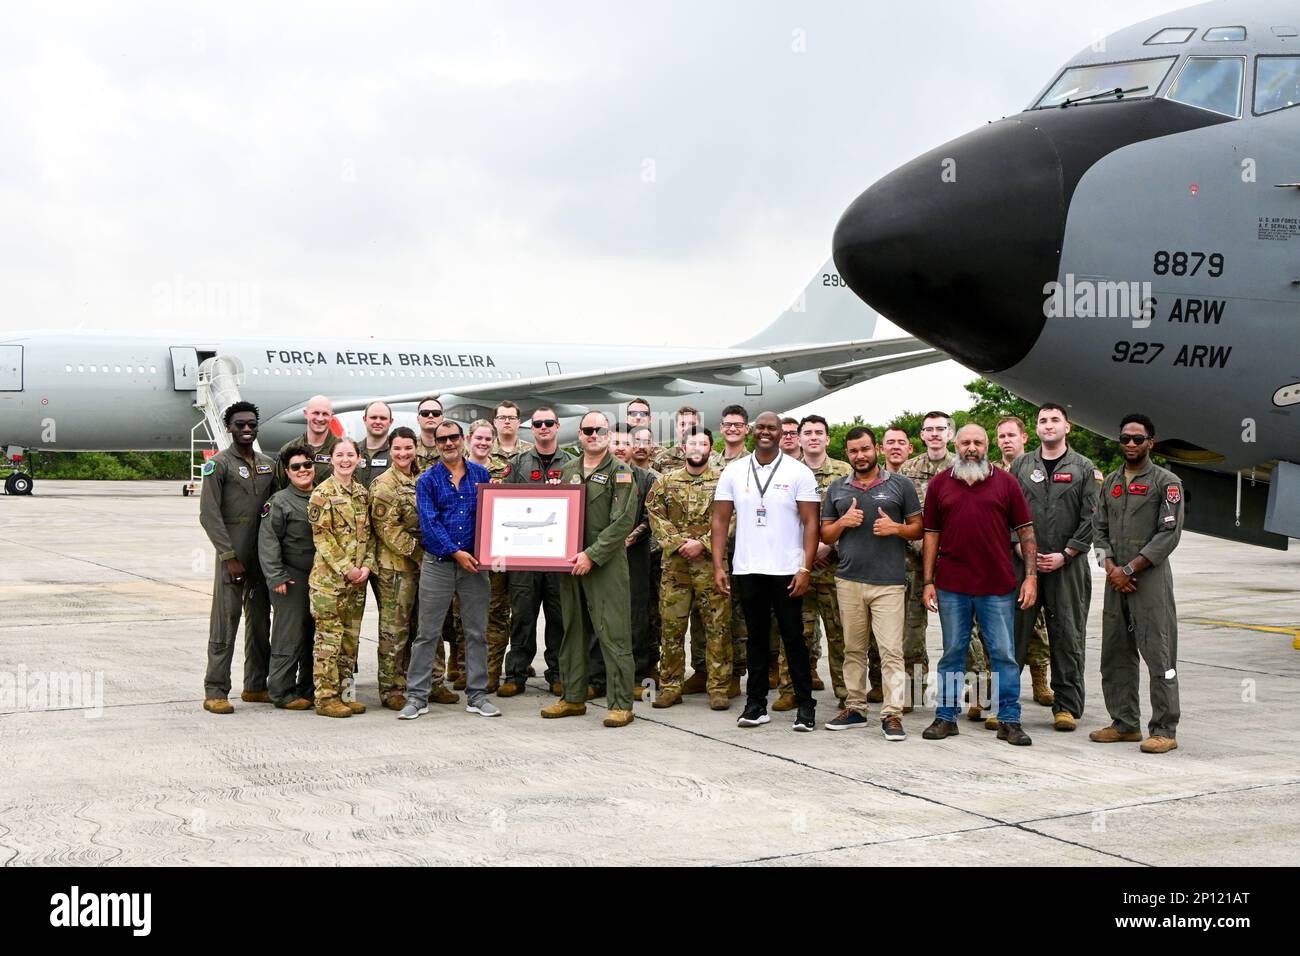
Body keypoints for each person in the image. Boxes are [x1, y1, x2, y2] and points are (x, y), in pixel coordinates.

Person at [920, 425, 1038, 746]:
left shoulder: (1008, 483)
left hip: (997, 585)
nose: (971, 447)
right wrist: (928, 581)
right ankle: (946, 717)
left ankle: (1009, 720)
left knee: (1003, 654)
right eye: (965, 442)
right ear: (954, 445)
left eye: (978, 442)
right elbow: (931, 535)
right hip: (952, 585)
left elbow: (1026, 532)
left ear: (987, 446)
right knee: (953, 654)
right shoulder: (939, 484)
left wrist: (1030, 576)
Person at [712, 411, 821, 732]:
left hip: (787, 568)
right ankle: (755, 704)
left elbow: (811, 522)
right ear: (751, 431)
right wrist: (719, 564)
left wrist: (805, 567)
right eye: (760, 427)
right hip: (748, 568)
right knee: (755, 639)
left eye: (771, 428)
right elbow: (719, 520)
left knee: (793, 638)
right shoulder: (733, 471)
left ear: (781, 433)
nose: (765, 432)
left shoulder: (798, 472)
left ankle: (806, 706)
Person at [820, 427, 922, 739]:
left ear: (875, 448)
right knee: (853, 649)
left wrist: (896, 528)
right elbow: (825, 535)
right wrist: (842, 523)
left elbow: (918, 528)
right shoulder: (837, 488)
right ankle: (855, 707)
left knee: (891, 650)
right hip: (848, 581)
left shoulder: (900, 485)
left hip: (889, 582)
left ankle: (892, 714)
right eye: (853, 451)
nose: (860, 456)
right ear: (847, 453)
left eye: (865, 449)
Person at [1091, 414, 1184, 754]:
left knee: (1159, 653)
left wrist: (1130, 569)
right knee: (1115, 653)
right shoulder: (1111, 482)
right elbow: (1098, 530)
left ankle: (1164, 728)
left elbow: (1168, 534)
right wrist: (1111, 568)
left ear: (1150, 443)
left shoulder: (1166, 482)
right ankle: (1124, 723)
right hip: (1115, 581)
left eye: (1137, 439)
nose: (1130, 444)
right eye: (1125, 438)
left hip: (1149, 581)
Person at [541, 411, 638, 728]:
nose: (593, 434)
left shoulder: (620, 472)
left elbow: (622, 522)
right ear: (579, 435)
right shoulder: (567, 470)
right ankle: (572, 697)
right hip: (570, 564)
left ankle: (621, 703)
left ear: (608, 435)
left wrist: (592, 555)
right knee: (573, 630)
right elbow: (555, 515)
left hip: (604, 565)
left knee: (613, 633)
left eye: (599, 430)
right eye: (587, 430)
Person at [1009, 403, 1100, 733]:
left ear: (1067, 428)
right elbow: (1005, 510)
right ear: (1036, 429)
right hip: (1024, 566)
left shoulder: (1084, 468)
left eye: (1055, 420)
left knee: (1068, 636)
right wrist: (1017, 546)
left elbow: (1093, 517)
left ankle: (1066, 707)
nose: (1048, 425)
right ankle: (1004, 705)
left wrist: (1068, 552)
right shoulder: (1021, 465)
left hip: (1067, 568)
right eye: (1043, 420)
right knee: (1013, 635)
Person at [400, 419, 499, 720]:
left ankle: (477, 695)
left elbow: (492, 516)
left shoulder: (481, 475)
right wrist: (457, 553)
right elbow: (429, 525)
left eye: (453, 437)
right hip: (439, 564)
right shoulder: (427, 480)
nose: (448, 443)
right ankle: (417, 697)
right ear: (434, 442)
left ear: (464, 439)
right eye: (441, 439)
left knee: (476, 632)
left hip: (474, 566)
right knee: (426, 633)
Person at [647, 427, 732, 710]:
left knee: (717, 627)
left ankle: (718, 687)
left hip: (712, 566)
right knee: (671, 627)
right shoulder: (666, 482)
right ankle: (671, 685)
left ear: (711, 448)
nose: (697, 447)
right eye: (692, 442)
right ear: (683, 447)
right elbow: (655, 514)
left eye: (703, 443)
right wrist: (681, 542)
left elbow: (734, 518)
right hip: (675, 567)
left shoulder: (724, 481)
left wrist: (704, 544)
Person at [370, 426, 455, 710]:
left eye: (408, 448)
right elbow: (387, 530)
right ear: (390, 451)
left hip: (427, 565)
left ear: (416, 448)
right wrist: (421, 554)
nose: (403, 453)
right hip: (397, 569)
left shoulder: (422, 478)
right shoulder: (384, 485)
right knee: (395, 630)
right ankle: (392, 688)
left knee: (430, 626)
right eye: (397, 449)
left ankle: (434, 683)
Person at [200, 401, 276, 713]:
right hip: (232, 558)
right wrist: (229, 556)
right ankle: (215, 690)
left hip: (262, 558)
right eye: (240, 424)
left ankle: (256, 685)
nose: (246, 429)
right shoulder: (218, 465)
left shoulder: (268, 464)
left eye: (251, 424)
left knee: (260, 623)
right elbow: (209, 515)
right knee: (225, 622)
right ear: (229, 427)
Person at [773, 414, 851, 709]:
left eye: (819, 432)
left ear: (828, 439)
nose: (813, 437)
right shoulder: (784, 471)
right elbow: (779, 519)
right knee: (794, 633)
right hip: (798, 568)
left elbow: (857, 515)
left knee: (840, 635)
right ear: (799, 438)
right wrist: (806, 552)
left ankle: (846, 694)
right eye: (808, 432)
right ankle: (791, 689)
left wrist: (828, 546)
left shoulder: (844, 472)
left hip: (835, 567)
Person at [498, 407, 574, 696]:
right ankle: (515, 674)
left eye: (548, 423)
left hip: (558, 557)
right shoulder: (517, 464)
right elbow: (502, 503)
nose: (543, 427)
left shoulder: (571, 463)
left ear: (557, 426)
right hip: (524, 557)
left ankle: (557, 673)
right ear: (533, 428)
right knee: (522, 617)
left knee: (558, 618)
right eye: (538, 423)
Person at [307, 439, 376, 718]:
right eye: (340, 455)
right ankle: (325, 698)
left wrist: (367, 567)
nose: (345, 460)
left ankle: (346, 695)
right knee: (328, 642)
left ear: (359, 458)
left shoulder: (361, 493)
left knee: (350, 641)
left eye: (350, 455)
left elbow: (370, 535)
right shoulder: (321, 493)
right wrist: (347, 568)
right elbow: (321, 537)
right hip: (329, 583)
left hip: (357, 582)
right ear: (331, 459)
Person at [899, 411, 956, 710]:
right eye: (929, 429)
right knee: (910, 631)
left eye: (941, 429)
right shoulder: (907, 470)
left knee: (962, 633)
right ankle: (912, 690)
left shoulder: (963, 468)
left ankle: (966, 691)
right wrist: (922, 545)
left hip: (954, 562)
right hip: (913, 562)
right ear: (921, 435)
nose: (935, 434)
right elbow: (900, 516)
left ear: (950, 434)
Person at [258, 443, 317, 710]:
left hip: (320, 578)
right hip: (291, 578)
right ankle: (281, 691)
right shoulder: (279, 501)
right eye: (296, 467)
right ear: (287, 471)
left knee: (313, 635)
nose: (303, 470)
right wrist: (276, 577)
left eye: (307, 464)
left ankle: (309, 687)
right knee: (289, 635)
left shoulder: (322, 495)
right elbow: (268, 542)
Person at [605, 424, 661, 698]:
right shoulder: (596, 476)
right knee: (602, 614)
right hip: (601, 558)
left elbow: (650, 517)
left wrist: (625, 540)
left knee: (636, 616)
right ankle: (600, 674)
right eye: (614, 441)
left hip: (635, 556)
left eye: (625, 442)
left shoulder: (646, 478)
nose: (619, 447)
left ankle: (638, 676)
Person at [467, 418, 514, 691]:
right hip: (466, 553)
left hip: (498, 552)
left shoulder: (506, 470)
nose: (483, 443)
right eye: (478, 438)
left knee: (496, 612)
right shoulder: (455, 469)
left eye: (488, 439)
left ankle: (492, 671)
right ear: (468, 440)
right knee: (465, 615)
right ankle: (466, 668)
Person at [275, 394, 341, 488]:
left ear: (331, 416)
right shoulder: (288, 450)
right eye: (316, 413)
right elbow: (278, 488)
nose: (320, 418)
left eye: (325, 414)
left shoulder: (342, 451)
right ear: (306, 413)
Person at [652, 405, 704, 473]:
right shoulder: (661, 459)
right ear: (676, 428)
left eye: (692, 424)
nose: (687, 428)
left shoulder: (713, 459)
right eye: (682, 424)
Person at [354, 400, 394, 488]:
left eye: (383, 418)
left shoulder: (397, 454)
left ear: (391, 421)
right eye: (373, 417)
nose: (378, 422)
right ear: (364, 419)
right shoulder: (352, 451)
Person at [414, 397, 446, 474]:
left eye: (436, 413)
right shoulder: (408, 448)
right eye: (425, 413)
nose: (430, 416)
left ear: (442, 418)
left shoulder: (454, 448)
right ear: (418, 419)